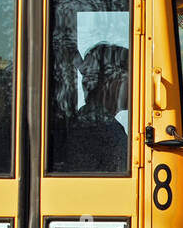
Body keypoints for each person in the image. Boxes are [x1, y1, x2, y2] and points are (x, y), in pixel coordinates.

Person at [53, 42, 129, 173]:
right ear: (112, 81)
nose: (135, 86)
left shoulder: (81, 123)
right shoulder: (105, 131)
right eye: (129, 78)